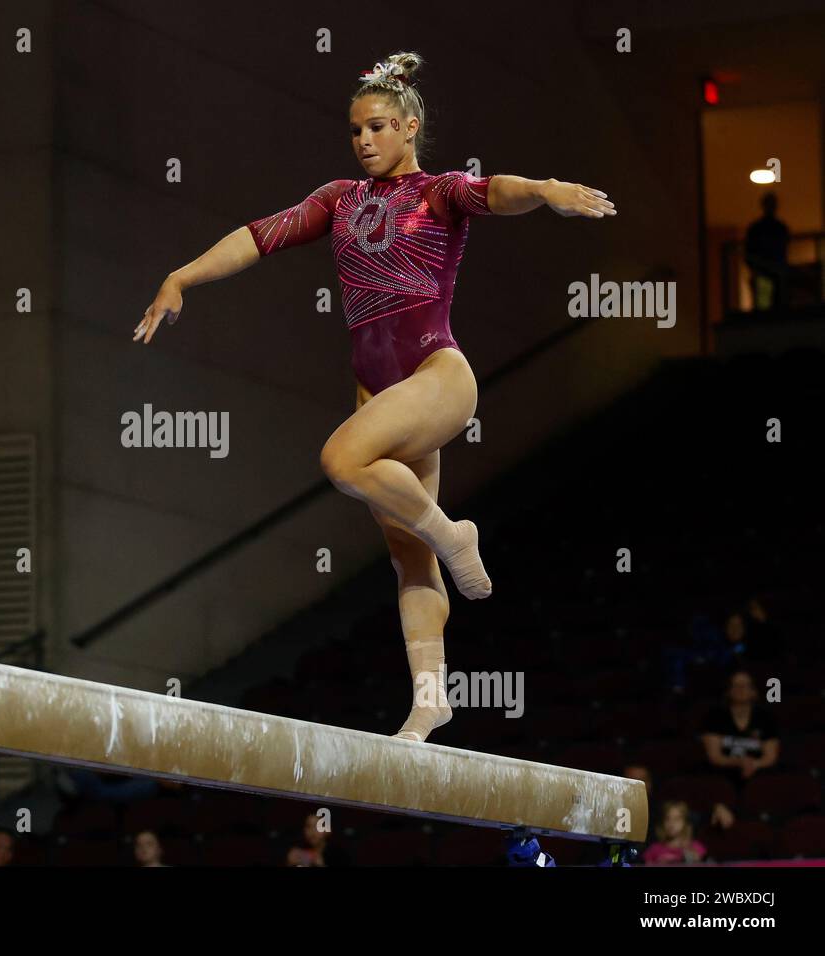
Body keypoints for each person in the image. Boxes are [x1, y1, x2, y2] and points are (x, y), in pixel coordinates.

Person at [134, 51, 615, 743]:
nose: (364, 139)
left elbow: (497, 190)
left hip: (437, 378)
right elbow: (259, 236)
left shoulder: (439, 192)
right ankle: (431, 699)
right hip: (377, 391)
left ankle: (457, 533)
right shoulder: (338, 200)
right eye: (356, 128)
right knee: (408, 552)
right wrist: (181, 275)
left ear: (411, 127)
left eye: (380, 126)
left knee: (342, 461)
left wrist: (544, 187)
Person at [701, 670, 781, 789]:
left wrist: (754, 764)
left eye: (745, 685)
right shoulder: (714, 717)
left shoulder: (766, 718)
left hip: (758, 771)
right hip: (723, 772)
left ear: (754, 692)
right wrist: (740, 762)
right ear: (728, 691)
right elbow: (715, 757)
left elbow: (770, 757)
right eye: (736, 685)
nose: (741, 689)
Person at [743, 192, 790, 311]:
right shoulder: (756, 229)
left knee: (777, 298)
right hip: (762, 271)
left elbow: (783, 249)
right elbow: (749, 253)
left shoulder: (779, 227)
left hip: (775, 271)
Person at [642, 800, 707, 865]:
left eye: (677, 819)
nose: (671, 823)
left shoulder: (696, 847)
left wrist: (690, 853)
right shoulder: (654, 850)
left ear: (685, 822)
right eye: (668, 818)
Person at [284, 813, 352, 867]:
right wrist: (290, 864)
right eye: (308, 826)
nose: (312, 831)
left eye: (318, 826)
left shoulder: (339, 855)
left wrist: (320, 865)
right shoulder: (299, 849)